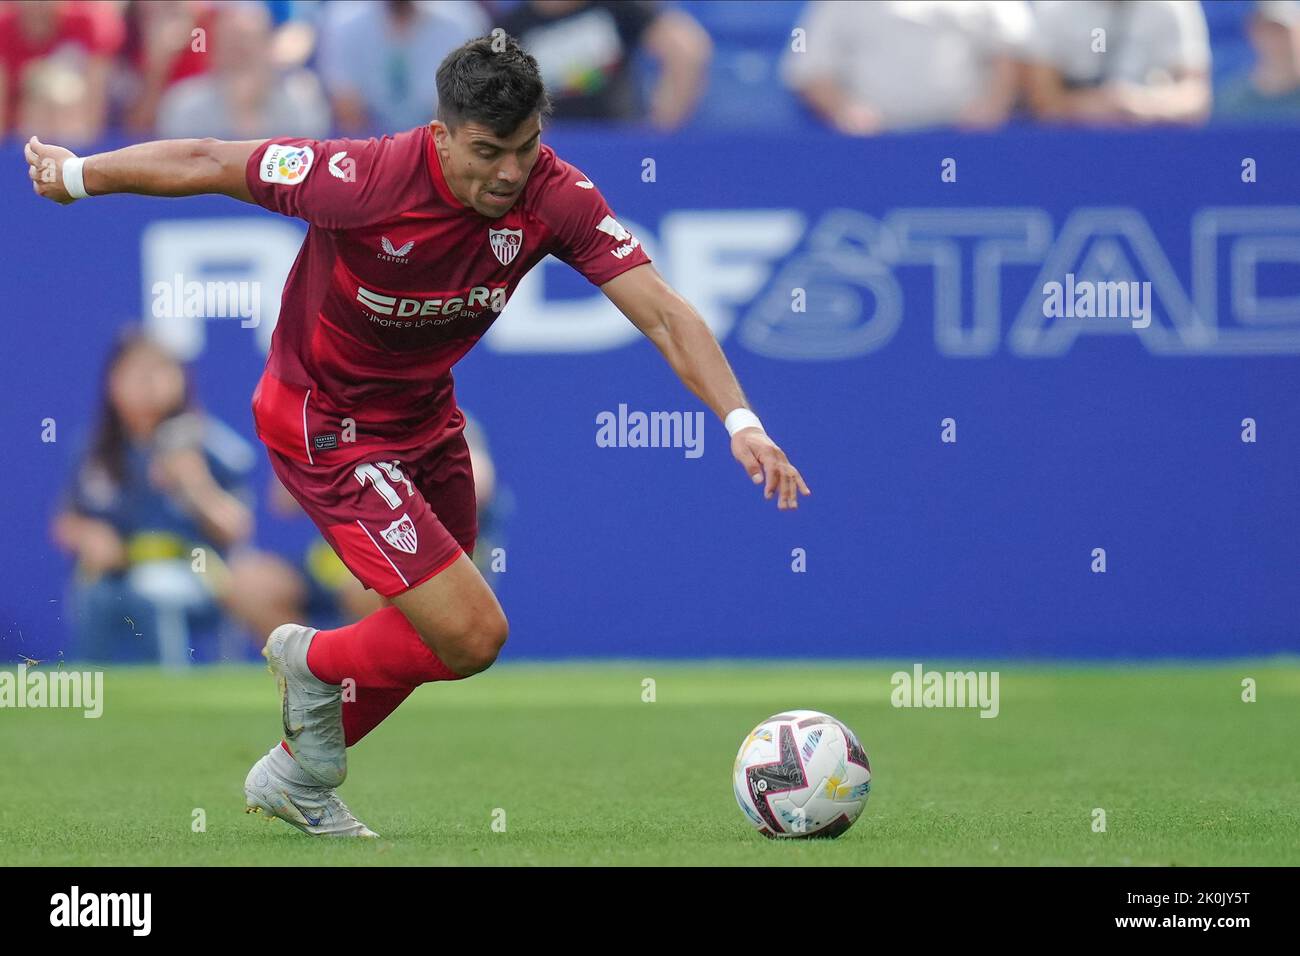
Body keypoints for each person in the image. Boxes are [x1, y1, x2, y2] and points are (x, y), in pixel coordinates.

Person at [26, 34, 809, 838]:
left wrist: (740, 421)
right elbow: (207, 159)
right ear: (442, 136)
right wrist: (80, 176)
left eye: (526, 146)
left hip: (427, 420)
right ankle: (309, 661)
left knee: (441, 640)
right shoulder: (363, 178)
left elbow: (665, 313)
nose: (509, 171)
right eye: (487, 151)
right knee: (475, 633)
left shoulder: (556, 194)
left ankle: (299, 772)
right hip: (323, 423)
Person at [51, 329, 261, 663]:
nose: (148, 384)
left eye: (160, 371)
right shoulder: (96, 448)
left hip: (193, 570)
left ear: (180, 379)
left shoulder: (207, 442)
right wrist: (88, 535)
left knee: (152, 589)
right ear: (113, 382)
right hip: (117, 570)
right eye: (135, 373)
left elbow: (238, 529)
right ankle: (90, 702)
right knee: (93, 596)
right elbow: (66, 520)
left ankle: (170, 702)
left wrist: (195, 486)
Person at [495, 0, 711, 129]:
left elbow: (686, 50)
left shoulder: (618, 7)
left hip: (617, 138)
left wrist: (661, 127)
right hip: (551, 150)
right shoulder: (510, 26)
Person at [1024, 0, 1211, 126]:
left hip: (1154, 145)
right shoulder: (1053, 8)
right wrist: (1093, 106)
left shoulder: (1173, 6)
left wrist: (1141, 104)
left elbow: (1196, 96)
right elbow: (1043, 101)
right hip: (1073, 146)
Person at [1215, 0, 1300, 122]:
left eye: (1281, 30)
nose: (1275, 41)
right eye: (1267, 30)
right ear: (1252, 33)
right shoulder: (1232, 101)